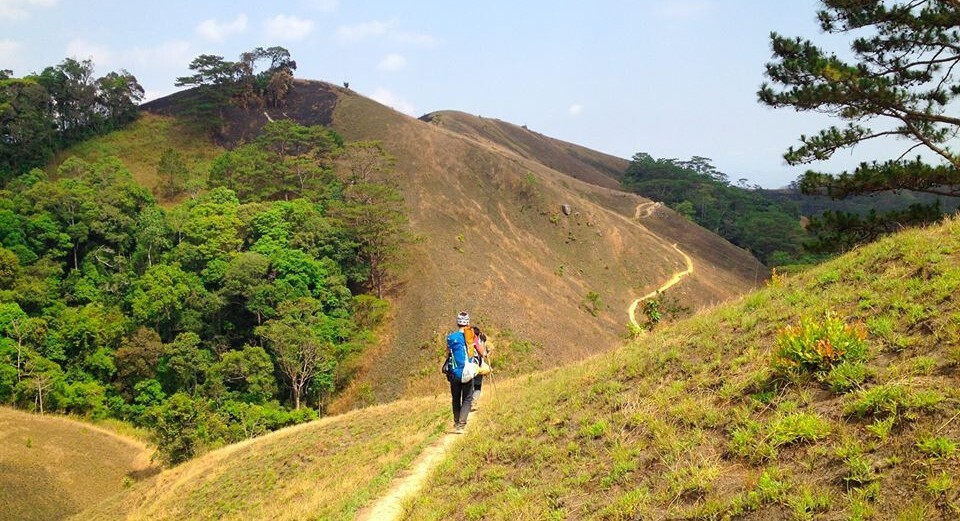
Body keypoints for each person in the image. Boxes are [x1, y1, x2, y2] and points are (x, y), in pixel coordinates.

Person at [446, 311, 487, 433]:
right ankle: (461, 425)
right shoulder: (471, 335)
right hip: (467, 371)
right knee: (467, 398)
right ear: (468, 322)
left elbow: (448, 353)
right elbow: (480, 351)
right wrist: (484, 353)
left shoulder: (450, 337)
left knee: (456, 398)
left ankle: (456, 421)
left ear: (457, 323)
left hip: (454, 372)